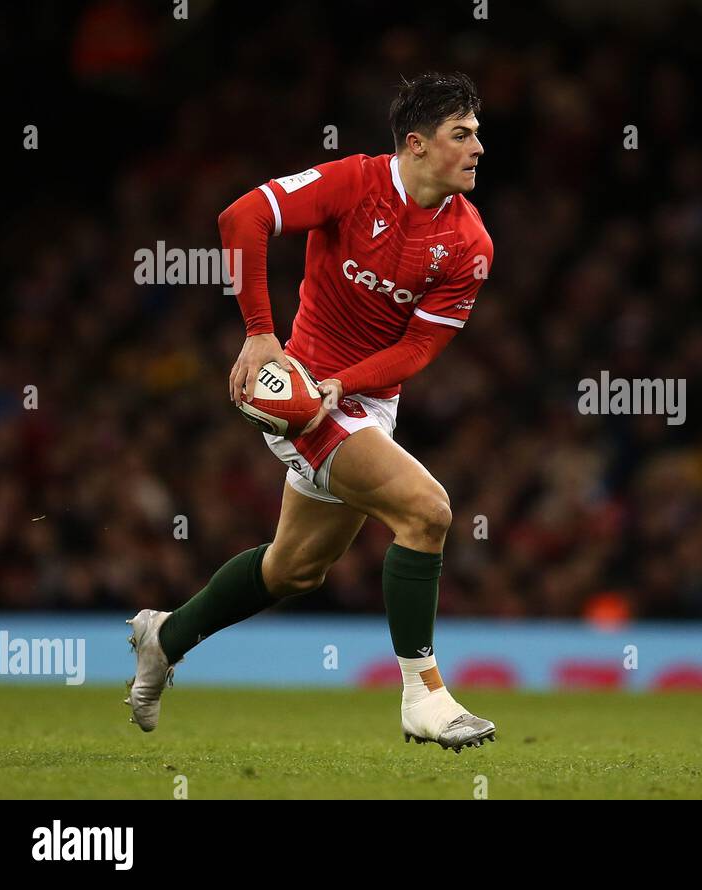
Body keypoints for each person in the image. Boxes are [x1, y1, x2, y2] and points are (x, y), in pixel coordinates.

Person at [124, 72, 496, 753]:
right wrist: (261, 333)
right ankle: (425, 696)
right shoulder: (354, 183)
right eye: (461, 135)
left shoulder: (470, 246)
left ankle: (164, 637)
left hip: (363, 401)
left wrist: (346, 382)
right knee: (428, 511)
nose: (478, 148)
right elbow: (242, 217)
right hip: (297, 396)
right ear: (416, 145)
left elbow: (418, 346)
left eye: (477, 134)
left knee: (294, 569)